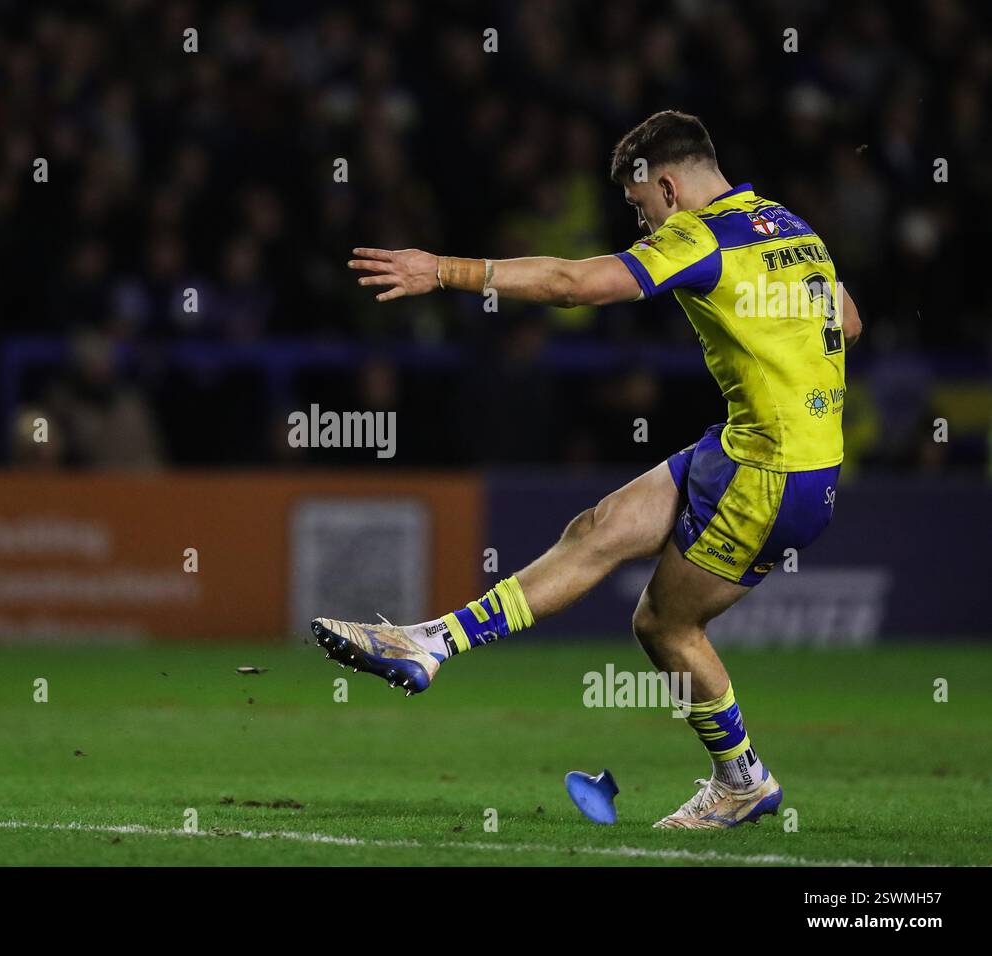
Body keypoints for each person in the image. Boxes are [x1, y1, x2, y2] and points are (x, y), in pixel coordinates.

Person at [312, 110, 862, 829]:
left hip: (770, 473)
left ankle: (743, 781)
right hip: (747, 446)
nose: (642, 227)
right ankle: (429, 643)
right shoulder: (792, 228)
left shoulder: (698, 234)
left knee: (665, 626)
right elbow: (847, 321)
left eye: (639, 208)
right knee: (596, 529)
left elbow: (577, 284)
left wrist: (442, 270)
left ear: (667, 186)